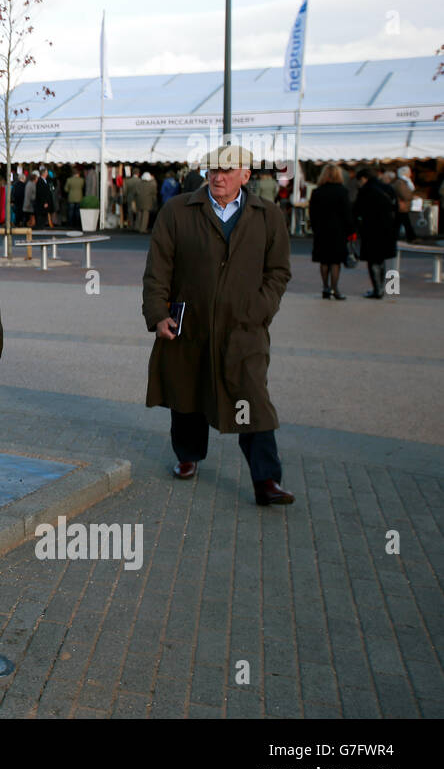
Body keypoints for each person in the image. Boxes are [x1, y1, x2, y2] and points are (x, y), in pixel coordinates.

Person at [143, 144, 293, 507]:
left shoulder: (268, 215)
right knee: (187, 391)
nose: (218, 177)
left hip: (243, 327)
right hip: (189, 323)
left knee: (251, 398)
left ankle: (266, 480)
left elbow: (278, 272)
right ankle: (188, 455)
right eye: (213, 170)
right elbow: (158, 268)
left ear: (246, 174)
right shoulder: (178, 210)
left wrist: (260, 308)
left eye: (227, 171)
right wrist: (157, 314)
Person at [308, 163, 354, 300]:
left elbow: (312, 213)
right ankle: (335, 288)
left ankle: (325, 287)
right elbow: (347, 213)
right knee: (335, 262)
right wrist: (351, 230)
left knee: (324, 261)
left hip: (322, 230)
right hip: (338, 231)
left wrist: (315, 228)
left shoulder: (317, 192)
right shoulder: (342, 191)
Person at [352, 167, 398, 299]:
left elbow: (357, 210)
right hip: (387, 229)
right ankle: (381, 287)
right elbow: (396, 208)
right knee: (381, 259)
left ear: (363, 179)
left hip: (371, 229)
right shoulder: (387, 188)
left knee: (372, 260)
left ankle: (377, 289)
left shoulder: (365, 191)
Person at [392, 166, 417, 242]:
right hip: (402, 206)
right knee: (405, 222)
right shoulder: (400, 182)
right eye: (409, 172)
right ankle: (411, 237)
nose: (410, 174)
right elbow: (404, 194)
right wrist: (412, 196)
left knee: (398, 223)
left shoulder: (404, 182)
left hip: (403, 206)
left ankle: (394, 237)